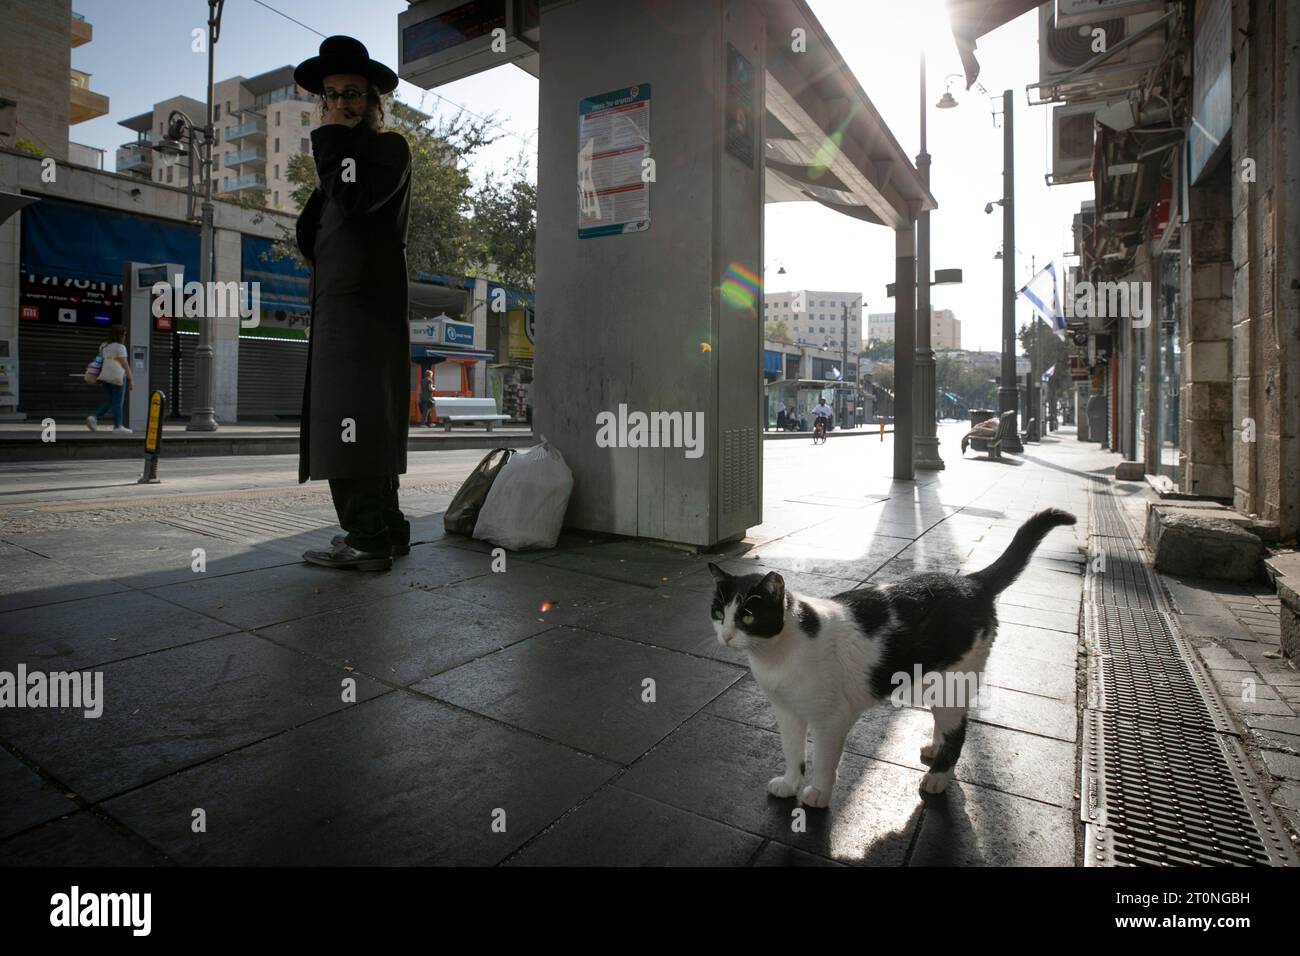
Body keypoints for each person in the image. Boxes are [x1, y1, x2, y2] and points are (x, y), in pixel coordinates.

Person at [293, 36, 412, 572]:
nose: (343, 103)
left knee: (354, 419)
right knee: (365, 418)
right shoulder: (341, 157)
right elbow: (316, 229)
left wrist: (334, 140)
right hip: (342, 307)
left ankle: (366, 537)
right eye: (334, 94)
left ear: (372, 102)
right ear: (323, 98)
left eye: (355, 95)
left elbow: (354, 198)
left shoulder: (385, 151)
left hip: (365, 310)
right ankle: (386, 529)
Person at [86, 324, 132, 433]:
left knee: (112, 401)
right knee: (118, 402)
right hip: (117, 377)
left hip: (105, 377)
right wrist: (131, 379)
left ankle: (94, 418)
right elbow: (124, 364)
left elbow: (99, 360)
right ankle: (118, 426)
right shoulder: (120, 347)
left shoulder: (104, 346)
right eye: (124, 334)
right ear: (120, 335)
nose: (125, 336)